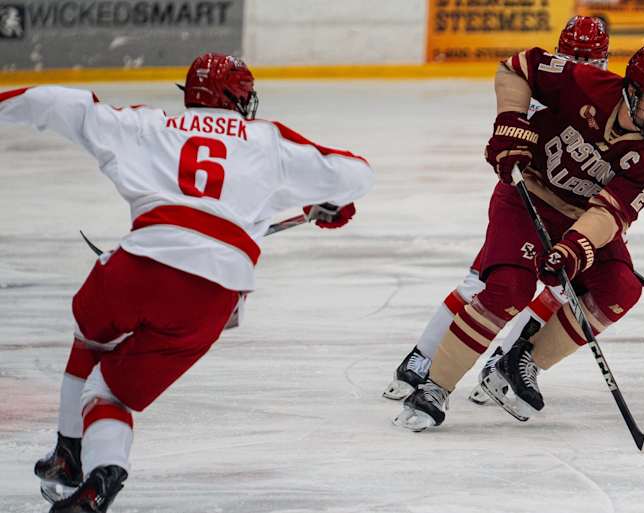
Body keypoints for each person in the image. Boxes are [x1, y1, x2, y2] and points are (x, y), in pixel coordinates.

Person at [0, 53, 374, 511]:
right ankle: (101, 479)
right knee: (111, 394)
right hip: (211, 295)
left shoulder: (149, 125)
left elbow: (60, 104)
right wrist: (328, 197)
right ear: (239, 96)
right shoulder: (267, 141)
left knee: (91, 337)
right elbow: (356, 173)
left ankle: (66, 455)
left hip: (137, 267)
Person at [393, 44, 644, 430]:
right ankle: (433, 389)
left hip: (580, 216)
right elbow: (515, 67)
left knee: (620, 288)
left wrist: (574, 247)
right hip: (526, 193)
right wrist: (510, 124)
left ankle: (517, 364)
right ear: (630, 91)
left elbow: (608, 214)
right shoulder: (587, 85)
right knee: (508, 290)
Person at [382, 15, 611, 404]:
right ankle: (421, 359)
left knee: (559, 287)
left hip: (573, 215)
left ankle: (501, 364)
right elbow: (509, 129)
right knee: (483, 283)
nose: (582, 67)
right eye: (574, 57)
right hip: (526, 202)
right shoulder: (547, 91)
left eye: (590, 59)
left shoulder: (610, 101)